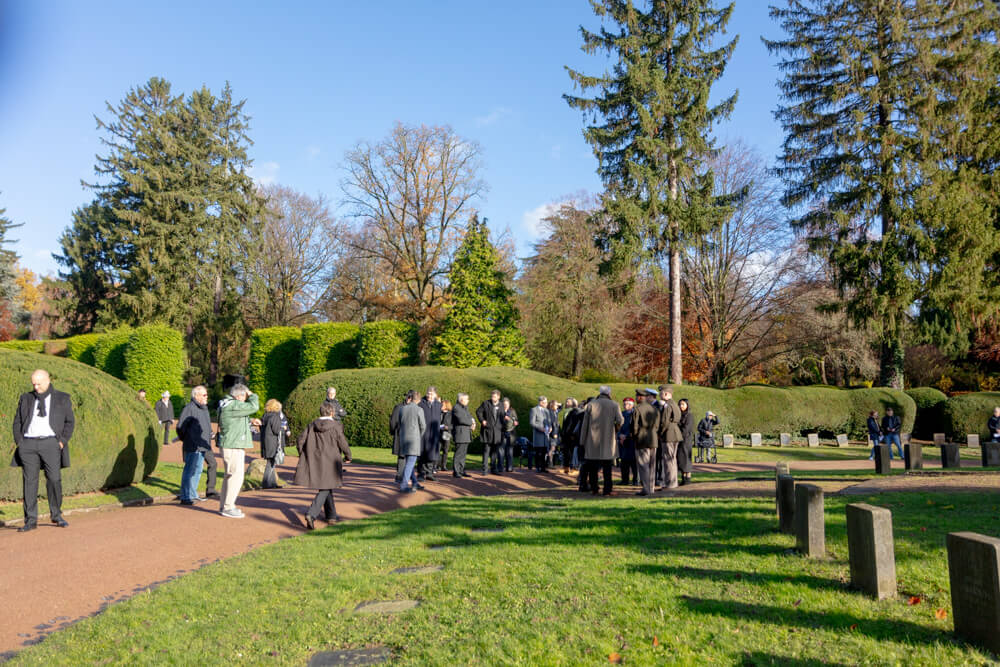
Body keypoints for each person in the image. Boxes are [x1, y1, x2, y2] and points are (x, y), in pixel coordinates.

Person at [11, 369, 74, 531]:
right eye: (33, 384)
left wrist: (61, 442)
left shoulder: (62, 398)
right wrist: (20, 442)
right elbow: (17, 421)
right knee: (29, 482)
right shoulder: (26, 398)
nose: (36, 387)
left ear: (47, 380)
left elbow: (69, 422)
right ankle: (30, 520)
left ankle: (56, 515)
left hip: (51, 444)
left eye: (39, 384)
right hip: (28, 445)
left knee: (54, 479)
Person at [294, 400, 353, 529]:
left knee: (327, 486)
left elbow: (300, 440)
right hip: (331, 461)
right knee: (325, 487)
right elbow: (342, 442)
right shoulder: (336, 426)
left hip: (315, 459)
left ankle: (331, 516)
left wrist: (303, 454)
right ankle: (312, 513)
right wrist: (348, 455)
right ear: (331, 412)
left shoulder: (311, 425)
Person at [216, 384, 260, 518]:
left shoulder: (227, 403)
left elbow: (236, 418)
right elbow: (254, 406)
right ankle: (228, 507)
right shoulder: (233, 404)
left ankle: (225, 505)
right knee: (236, 476)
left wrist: (251, 421)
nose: (246, 399)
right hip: (233, 445)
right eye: (245, 396)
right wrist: (252, 395)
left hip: (230, 443)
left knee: (229, 476)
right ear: (239, 395)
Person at [580, 386, 624, 496]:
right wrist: (616, 428)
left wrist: (582, 440)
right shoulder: (614, 404)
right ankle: (607, 490)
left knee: (593, 467)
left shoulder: (590, 405)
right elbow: (620, 420)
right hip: (608, 440)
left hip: (592, 439)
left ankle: (594, 488)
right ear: (609, 393)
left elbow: (584, 425)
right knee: (607, 467)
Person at [176, 386, 212, 504]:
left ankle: (192, 494)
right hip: (192, 445)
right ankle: (185, 496)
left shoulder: (204, 408)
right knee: (189, 471)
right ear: (196, 396)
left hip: (202, 445)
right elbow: (180, 427)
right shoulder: (189, 408)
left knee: (198, 470)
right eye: (204, 395)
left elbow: (207, 425)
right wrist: (187, 438)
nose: (206, 397)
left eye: (206, 395)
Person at [397, 390, 426, 492]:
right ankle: (404, 485)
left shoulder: (402, 409)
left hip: (403, 438)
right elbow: (423, 426)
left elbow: (400, 423)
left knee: (410, 462)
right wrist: (418, 436)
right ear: (419, 399)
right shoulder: (419, 410)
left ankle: (414, 482)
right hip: (414, 439)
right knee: (410, 462)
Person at [632, 390, 660, 496]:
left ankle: (646, 488)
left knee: (643, 465)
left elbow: (634, 426)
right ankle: (651, 487)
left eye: (636, 396)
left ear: (640, 397)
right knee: (652, 465)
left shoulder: (638, 409)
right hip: (653, 439)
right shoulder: (654, 408)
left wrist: (634, 436)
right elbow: (657, 425)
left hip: (642, 439)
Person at [657, 385, 682, 490]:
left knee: (668, 460)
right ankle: (673, 482)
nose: (660, 395)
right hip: (675, 433)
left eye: (661, 393)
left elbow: (664, 421)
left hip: (669, 434)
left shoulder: (667, 405)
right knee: (672, 459)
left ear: (666, 394)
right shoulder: (674, 404)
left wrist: (660, 433)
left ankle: (670, 484)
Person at [476, 390, 505, 475]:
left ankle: (494, 469)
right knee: (486, 451)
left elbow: (502, 417)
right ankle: (484, 470)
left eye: (495, 397)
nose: (493, 398)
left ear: (498, 397)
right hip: (487, 431)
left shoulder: (501, 405)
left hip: (497, 432)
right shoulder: (486, 403)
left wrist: (503, 426)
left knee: (495, 452)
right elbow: (478, 412)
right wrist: (482, 420)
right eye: (492, 396)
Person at [260, 399, 286, 489]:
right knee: (270, 463)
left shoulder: (265, 416)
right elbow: (276, 430)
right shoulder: (275, 416)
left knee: (271, 463)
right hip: (272, 442)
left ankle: (272, 483)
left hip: (265, 442)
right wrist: (283, 429)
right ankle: (266, 483)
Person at [417, 387, 442, 481]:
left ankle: (429, 473)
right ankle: (421, 473)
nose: (429, 395)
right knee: (422, 453)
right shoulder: (420, 403)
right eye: (428, 393)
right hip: (423, 433)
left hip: (434, 434)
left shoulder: (438, 405)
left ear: (435, 394)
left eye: (431, 394)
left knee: (432, 454)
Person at [451, 393, 475, 477]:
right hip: (460, 434)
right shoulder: (456, 408)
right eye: (466, 399)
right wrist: (471, 423)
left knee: (463, 454)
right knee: (459, 453)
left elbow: (470, 417)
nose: (468, 400)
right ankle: (456, 471)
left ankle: (461, 470)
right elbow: (461, 420)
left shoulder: (466, 408)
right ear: (461, 400)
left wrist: (473, 422)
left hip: (466, 433)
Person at [529, 396, 553, 473]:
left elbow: (549, 421)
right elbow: (532, 422)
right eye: (545, 402)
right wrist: (540, 428)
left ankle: (543, 467)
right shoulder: (534, 410)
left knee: (544, 452)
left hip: (546, 435)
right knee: (538, 452)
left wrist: (550, 427)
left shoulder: (547, 411)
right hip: (538, 434)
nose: (547, 404)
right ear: (541, 402)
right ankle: (538, 467)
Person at [618, 396, 637, 485]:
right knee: (624, 462)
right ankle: (624, 480)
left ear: (632, 405)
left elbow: (634, 426)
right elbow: (617, 427)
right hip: (622, 441)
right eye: (625, 404)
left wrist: (626, 436)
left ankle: (635, 480)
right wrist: (619, 435)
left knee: (634, 462)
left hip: (631, 440)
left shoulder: (635, 414)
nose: (626, 405)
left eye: (628, 404)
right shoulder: (621, 414)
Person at [560, 398, 583, 473]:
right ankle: (569, 467)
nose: (566, 403)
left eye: (568, 402)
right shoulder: (572, 412)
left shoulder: (573, 412)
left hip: (570, 435)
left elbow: (570, 424)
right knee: (570, 452)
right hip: (571, 435)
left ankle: (570, 467)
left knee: (570, 452)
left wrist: (569, 433)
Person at [389, 394, 407, 483]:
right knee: (402, 456)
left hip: (409, 435)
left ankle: (403, 476)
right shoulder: (399, 407)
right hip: (400, 434)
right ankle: (399, 476)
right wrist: (394, 432)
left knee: (407, 457)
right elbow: (393, 422)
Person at [677, 398, 694, 486]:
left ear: (687, 405)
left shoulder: (689, 415)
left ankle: (688, 478)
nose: (681, 406)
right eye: (680, 404)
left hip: (686, 440)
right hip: (680, 440)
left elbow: (686, 429)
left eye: (683, 404)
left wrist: (679, 434)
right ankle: (683, 477)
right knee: (681, 459)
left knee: (686, 458)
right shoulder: (679, 415)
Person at [501, 397, 518, 473]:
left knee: (510, 450)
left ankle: (509, 467)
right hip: (502, 432)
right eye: (504, 404)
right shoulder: (500, 411)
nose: (506, 405)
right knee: (502, 450)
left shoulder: (512, 411)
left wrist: (516, 422)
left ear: (509, 404)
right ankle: (500, 467)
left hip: (511, 433)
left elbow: (516, 419)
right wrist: (504, 418)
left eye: (507, 404)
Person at [439, 400, 453, 472]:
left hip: (447, 433)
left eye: (443, 404)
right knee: (437, 449)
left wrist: (448, 427)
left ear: (446, 405)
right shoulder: (439, 413)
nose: (441, 405)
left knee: (445, 450)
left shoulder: (451, 414)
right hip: (438, 432)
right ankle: (435, 465)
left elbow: (453, 424)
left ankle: (443, 465)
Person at [547, 400, 561, 469]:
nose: (557, 406)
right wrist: (554, 433)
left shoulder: (555, 412)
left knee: (553, 448)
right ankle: (550, 463)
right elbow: (551, 424)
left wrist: (558, 403)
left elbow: (561, 407)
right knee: (552, 448)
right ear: (552, 405)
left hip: (555, 433)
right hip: (553, 433)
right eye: (556, 405)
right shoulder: (551, 412)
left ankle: (550, 463)